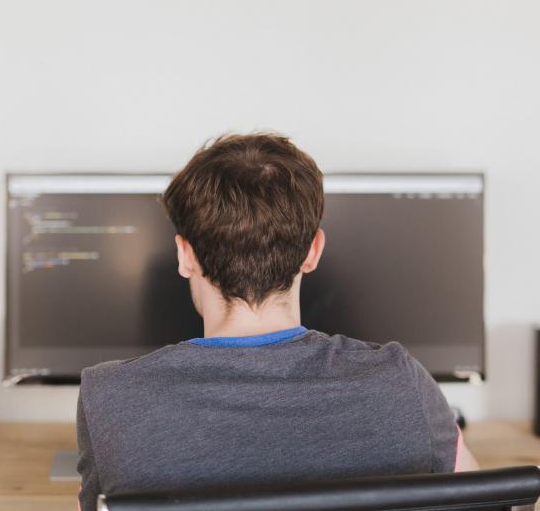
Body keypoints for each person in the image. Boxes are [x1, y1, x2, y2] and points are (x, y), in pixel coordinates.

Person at [76, 132, 478, 510]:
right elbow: (491, 499)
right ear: (313, 251)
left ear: (185, 255)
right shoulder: (402, 380)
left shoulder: (110, 396)